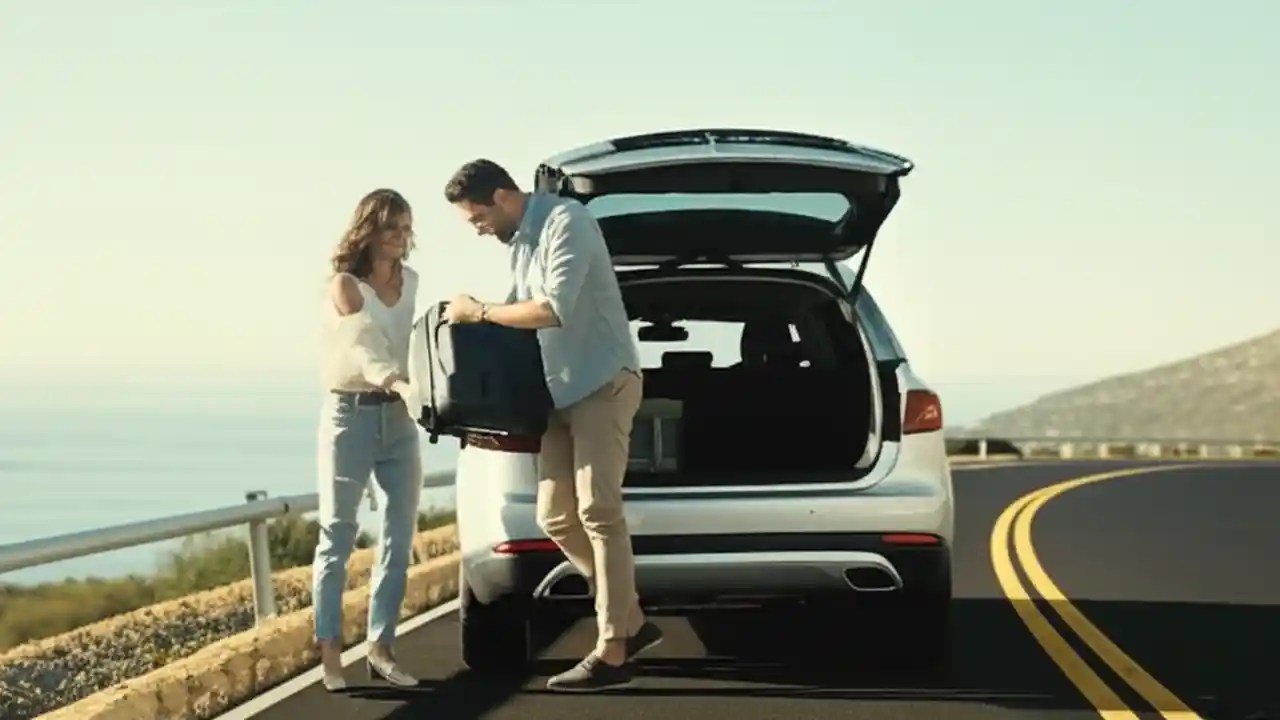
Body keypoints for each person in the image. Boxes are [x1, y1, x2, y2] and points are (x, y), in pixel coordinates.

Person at [441, 160, 663, 692]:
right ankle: (631, 619)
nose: (478, 228)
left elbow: (551, 309)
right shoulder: (520, 243)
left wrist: (480, 311)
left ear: (500, 196)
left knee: (597, 510)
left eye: (476, 218)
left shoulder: (569, 222)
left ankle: (612, 650)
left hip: (603, 381)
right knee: (554, 516)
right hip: (561, 392)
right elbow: (520, 319)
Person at [313, 188, 423, 691]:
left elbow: (410, 345)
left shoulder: (412, 281)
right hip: (350, 416)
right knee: (337, 536)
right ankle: (331, 654)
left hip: (399, 421)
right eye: (390, 227)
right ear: (368, 230)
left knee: (399, 540)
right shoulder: (345, 285)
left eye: (404, 227)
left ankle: (381, 648)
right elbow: (362, 345)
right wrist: (396, 381)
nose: (399, 237)